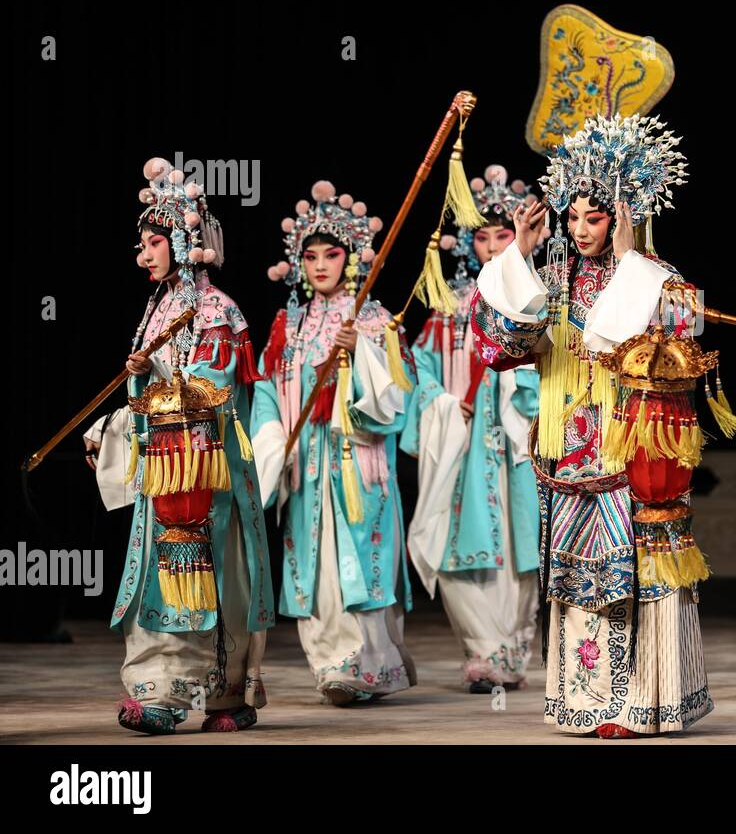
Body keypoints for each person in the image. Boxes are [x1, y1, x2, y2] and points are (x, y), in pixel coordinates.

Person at [470, 114, 714, 737]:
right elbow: (499, 345)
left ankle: (645, 704)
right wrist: (516, 257)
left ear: (624, 216)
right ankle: (588, 702)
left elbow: (685, 343)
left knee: (638, 573)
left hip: (632, 452)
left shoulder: (659, 280)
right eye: (572, 216)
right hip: (570, 456)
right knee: (582, 577)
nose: (579, 230)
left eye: (595, 218)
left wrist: (634, 268)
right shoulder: (551, 280)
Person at [84, 156, 273, 735]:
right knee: (159, 574)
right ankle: (161, 687)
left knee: (209, 574)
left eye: (152, 243)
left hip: (203, 470)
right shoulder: (161, 306)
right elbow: (158, 387)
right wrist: (123, 410)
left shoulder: (216, 309)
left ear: (183, 241)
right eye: (141, 245)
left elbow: (215, 392)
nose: (143, 256)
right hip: (166, 467)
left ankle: (221, 694)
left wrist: (156, 371)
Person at [250, 180, 417, 705]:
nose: (321, 264)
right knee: (315, 568)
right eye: (311, 256)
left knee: (361, 562)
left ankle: (371, 664)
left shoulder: (374, 320)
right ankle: (330, 664)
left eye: (332, 253)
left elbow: (397, 398)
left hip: (357, 463)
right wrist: (276, 441)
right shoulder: (289, 324)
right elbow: (267, 392)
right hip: (305, 467)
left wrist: (361, 352)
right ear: (299, 263)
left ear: (350, 258)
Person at [401, 165, 542, 693]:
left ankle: (511, 650)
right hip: (463, 443)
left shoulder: (537, 297)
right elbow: (418, 370)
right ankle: (481, 652)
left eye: (501, 235)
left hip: (518, 443)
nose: (490, 246)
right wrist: (440, 402)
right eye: (481, 237)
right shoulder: (447, 310)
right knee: (457, 541)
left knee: (520, 543)